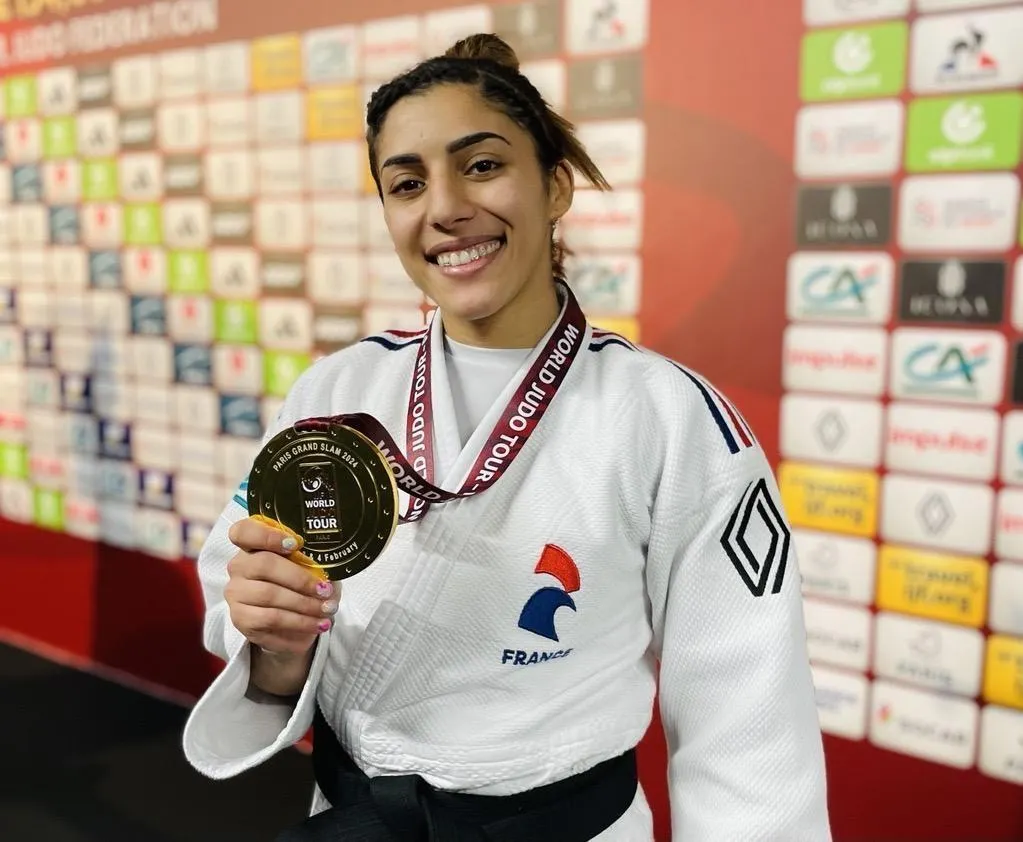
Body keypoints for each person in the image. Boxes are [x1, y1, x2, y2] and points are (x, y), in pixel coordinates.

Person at [182, 33, 832, 842]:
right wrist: (275, 649)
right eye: (407, 183)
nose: (445, 206)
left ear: (554, 186)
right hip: (356, 819)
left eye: (482, 165)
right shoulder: (337, 390)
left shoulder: (668, 416)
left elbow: (746, 712)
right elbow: (249, 608)